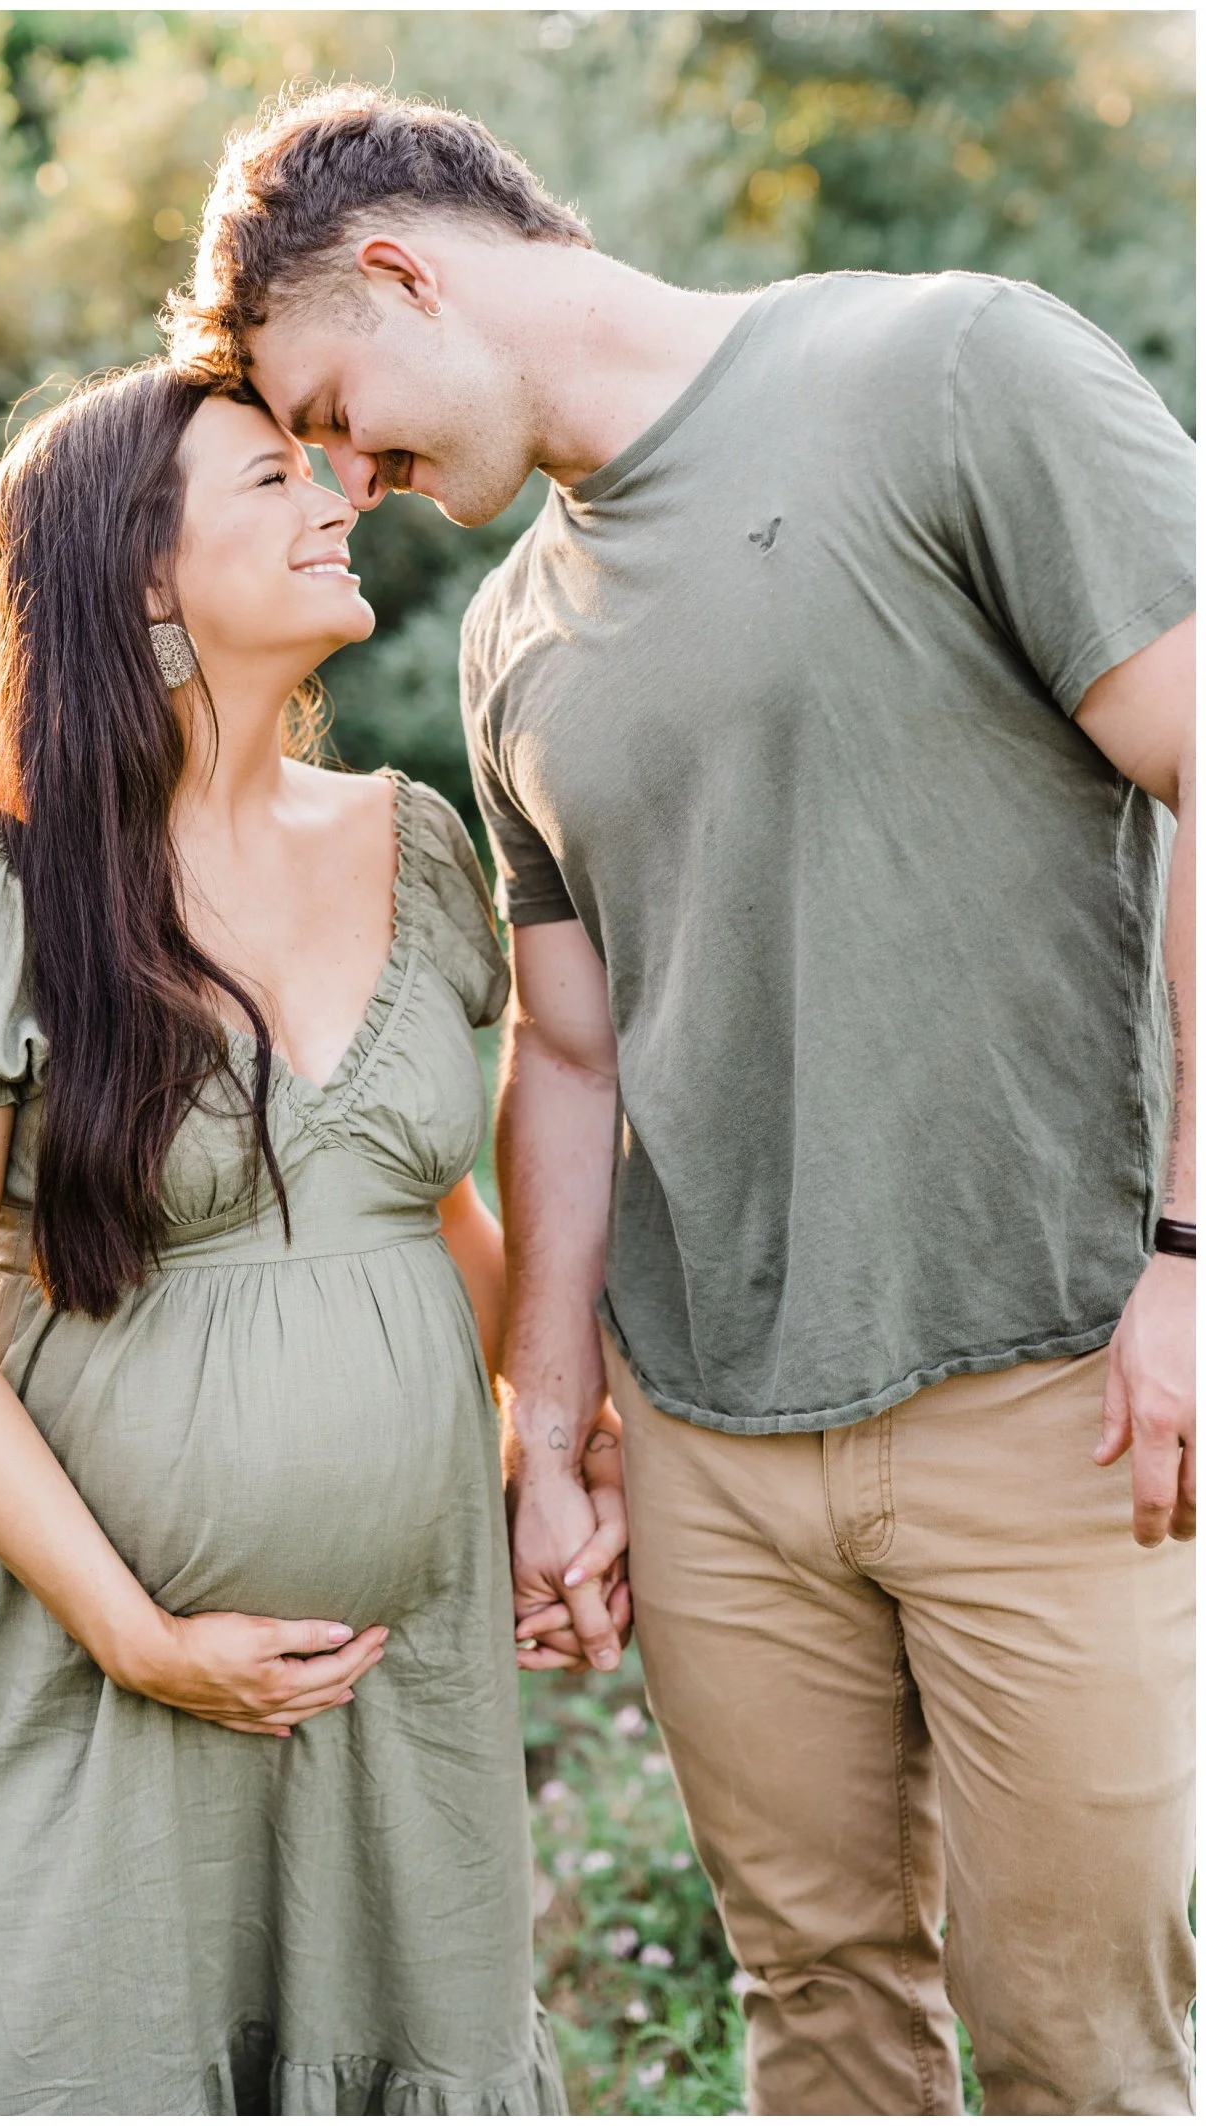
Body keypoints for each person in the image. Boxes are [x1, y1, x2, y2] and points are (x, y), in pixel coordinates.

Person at [169, 85, 1197, 2116]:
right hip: (720, 1445)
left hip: (1055, 1383)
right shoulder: (501, 640)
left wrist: (1188, 1246)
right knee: (811, 2010)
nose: (347, 474)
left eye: (335, 409)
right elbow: (565, 1056)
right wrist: (549, 1437)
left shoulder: (947, 368)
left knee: (1077, 2040)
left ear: (400, 270)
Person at [0, 359, 573, 2116]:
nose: (337, 500)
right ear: (141, 574)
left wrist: (560, 1452)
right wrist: (140, 1637)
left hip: (402, 1685)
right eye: (270, 482)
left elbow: (431, 1205)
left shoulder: (413, 841)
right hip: (112, 1677)